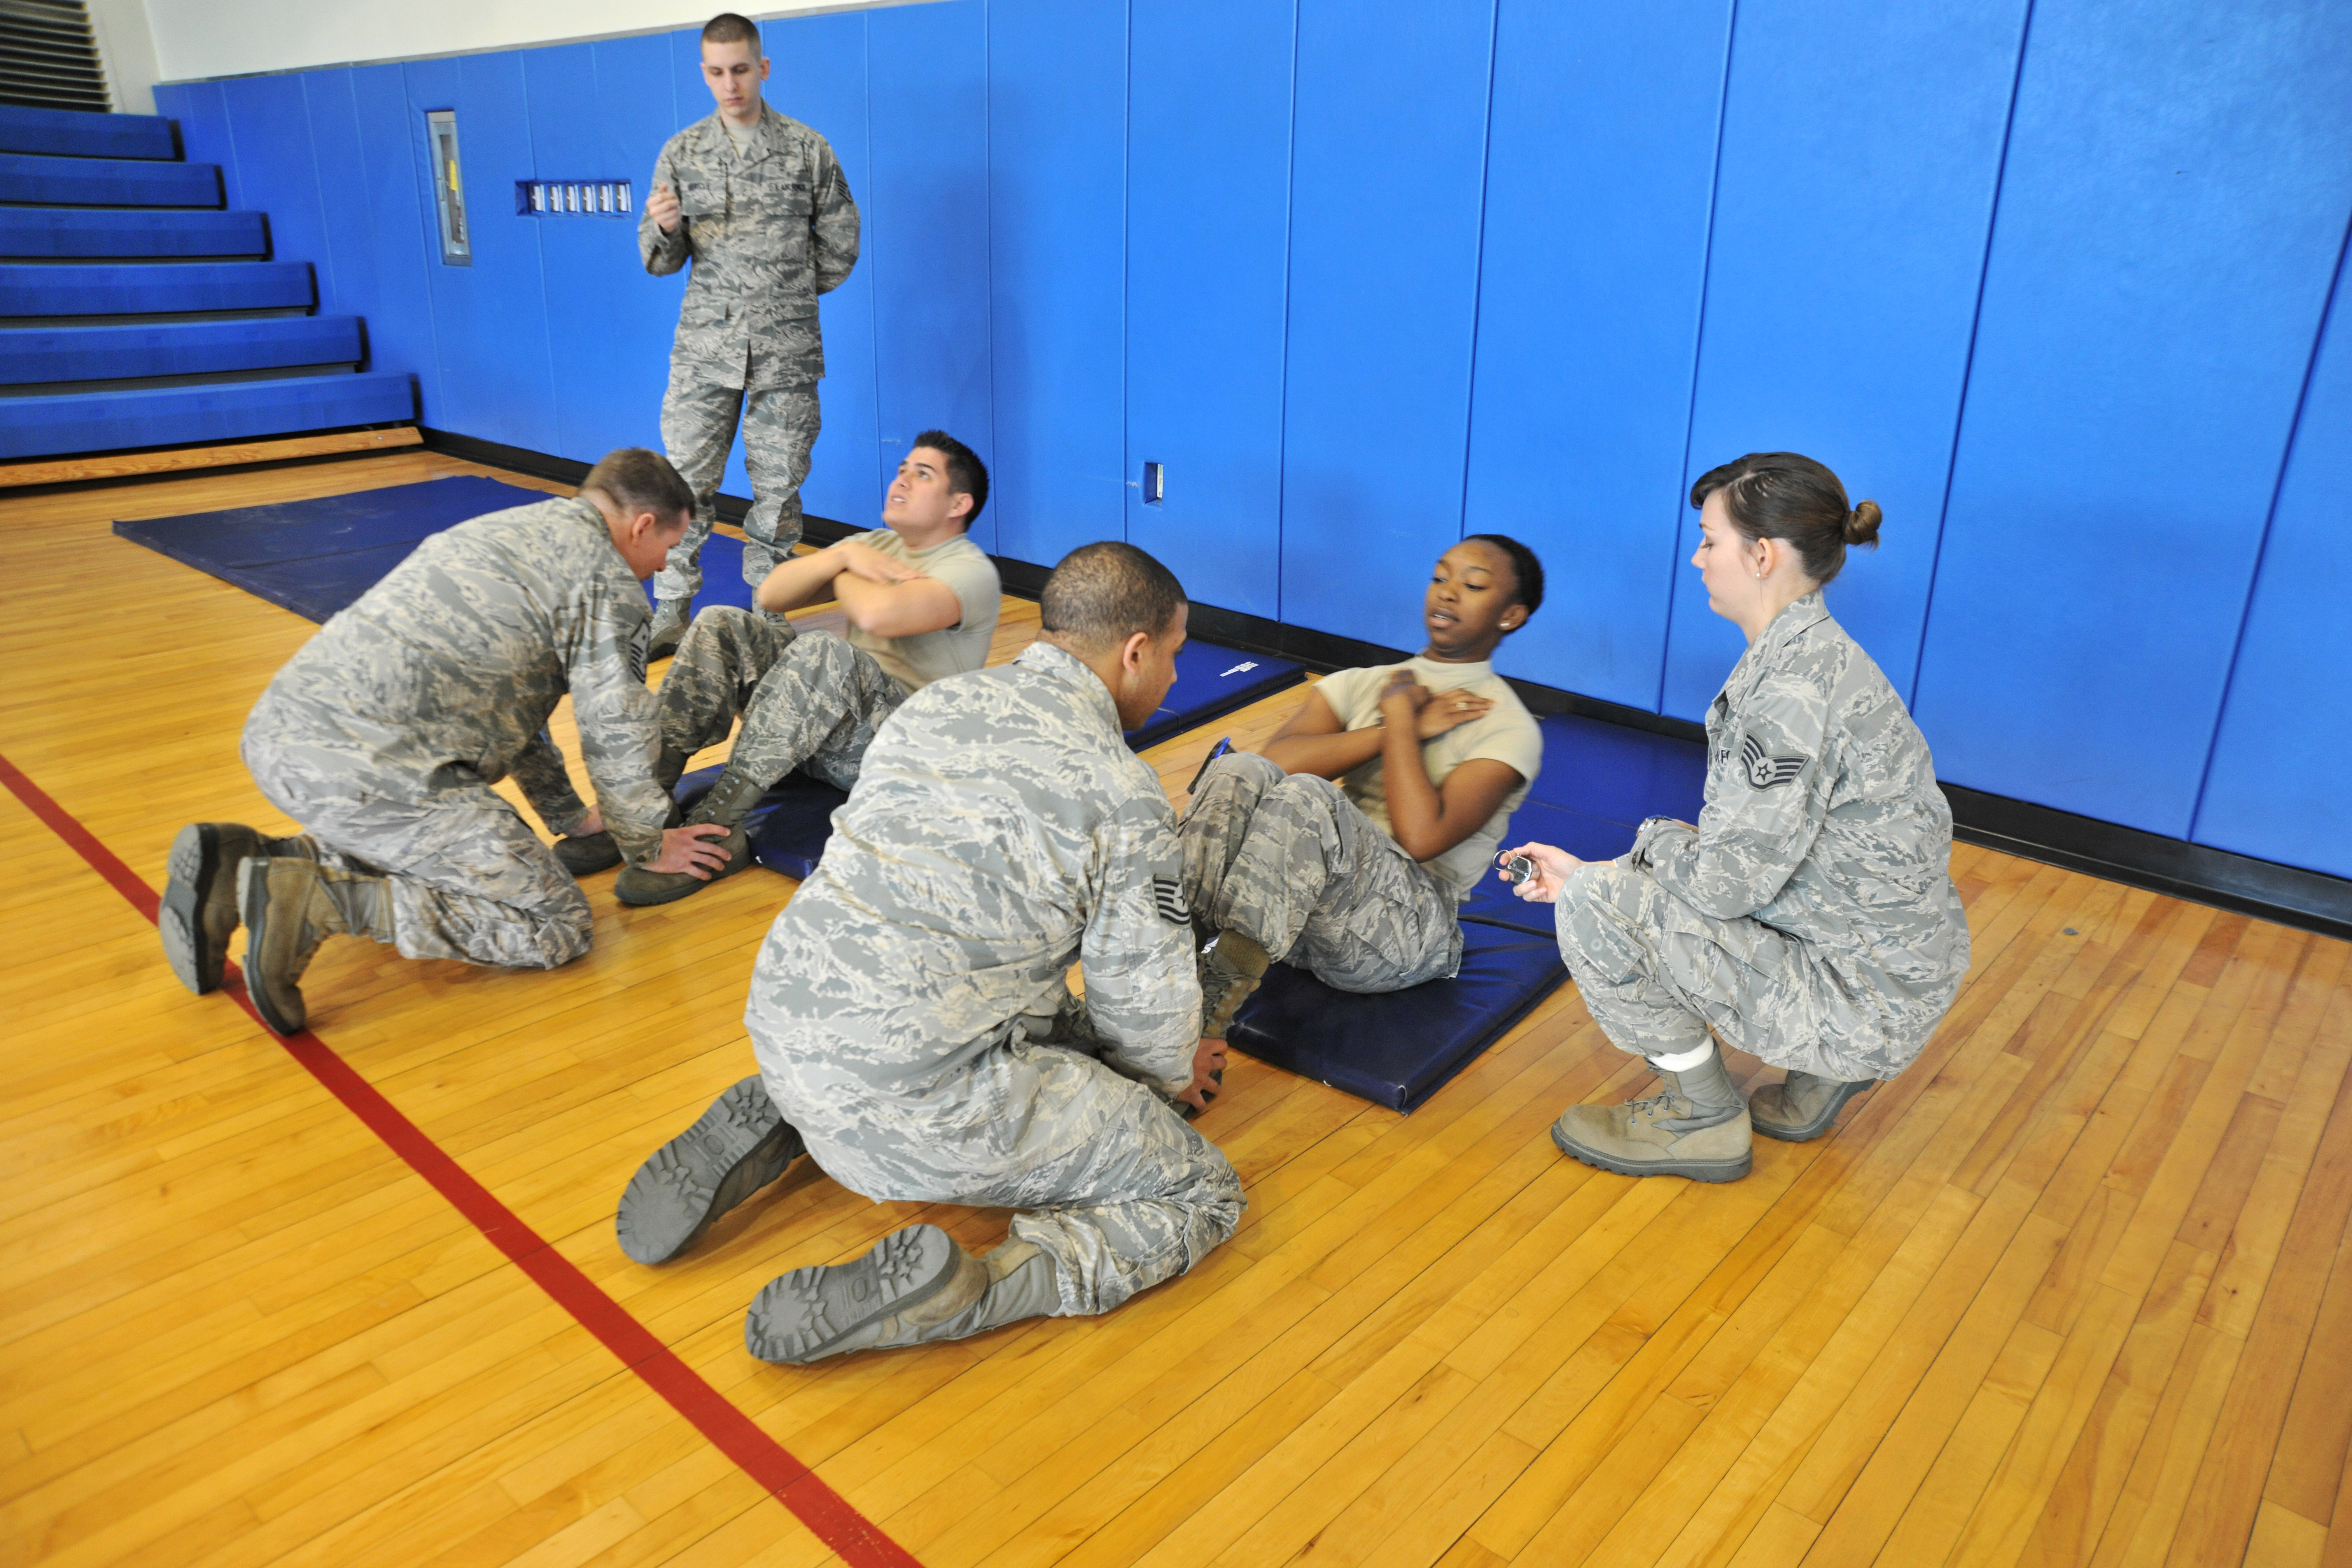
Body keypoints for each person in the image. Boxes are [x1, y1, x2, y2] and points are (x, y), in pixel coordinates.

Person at [613, 542, 1242, 1367]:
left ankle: (793, 1112)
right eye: (1173, 657)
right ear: (1134, 652)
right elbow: (1148, 1019)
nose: (1169, 681)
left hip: (786, 1016)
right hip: (908, 1089)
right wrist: (1162, 1084)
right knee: (1198, 1189)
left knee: (1000, 997)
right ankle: (974, 1290)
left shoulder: (935, 710)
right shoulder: (1121, 795)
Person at [158, 450, 735, 1036]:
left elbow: (510, 706)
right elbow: (615, 731)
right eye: (670, 547)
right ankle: (320, 903)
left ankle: (259, 865)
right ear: (641, 526)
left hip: (284, 742)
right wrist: (647, 844)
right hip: (376, 774)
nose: (665, 565)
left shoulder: (505, 530)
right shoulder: (608, 586)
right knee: (554, 923)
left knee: (433, 848)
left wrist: (568, 816)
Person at [1508, 452, 1969, 1183]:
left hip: (1863, 998)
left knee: (1599, 904)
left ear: (1760, 554)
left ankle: (1701, 1120)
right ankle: (1822, 1077)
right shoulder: (1820, 655)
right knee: (1628, 876)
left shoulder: (1789, 693)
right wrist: (1621, 866)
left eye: (1709, 539)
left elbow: (1725, 887)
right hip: (1895, 970)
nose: (1696, 558)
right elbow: (1776, 857)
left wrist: (1616, 868)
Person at [1177, 535, 1546, 1036]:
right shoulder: (1365, 682)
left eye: (1474, 585)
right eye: (1440, 578)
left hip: (1403, 937)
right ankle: (1168, 958)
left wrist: (1398, 721)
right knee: (1237, 771)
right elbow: (1270, 764)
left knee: (1309, 797)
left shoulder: (1507, 726)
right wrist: (1400, 727)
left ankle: (1209, 1014)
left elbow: (1421, 839)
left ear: (1511, 616)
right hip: (1297, 912)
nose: (1448, 593)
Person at [610, 432, 1000, 904]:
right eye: (902, 470)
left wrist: (844, 570)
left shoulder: (971, 569)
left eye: (923, 475)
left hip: (896, 755)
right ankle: (646, 803)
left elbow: (880, 615)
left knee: (823, 650)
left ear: (959, 503)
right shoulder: (874, 545)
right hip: (821, 731)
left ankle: (718, 828)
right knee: (721, 624)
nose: (901, 481)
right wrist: (842, 555)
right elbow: (772, 595)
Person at [639, 11, 861, 659]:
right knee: (683, 487)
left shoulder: (806, 149)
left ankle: (768, 612)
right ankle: (671, 611)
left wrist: (784, 294)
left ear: (762, 68)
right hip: (704, 353)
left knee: (778, 491)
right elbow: (657, 261)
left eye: (741, 69)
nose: (730, 83)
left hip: (785, 353)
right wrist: (665, 228)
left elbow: (841, 243)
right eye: (716, 72)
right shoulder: (681, 153)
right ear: (703, 73)